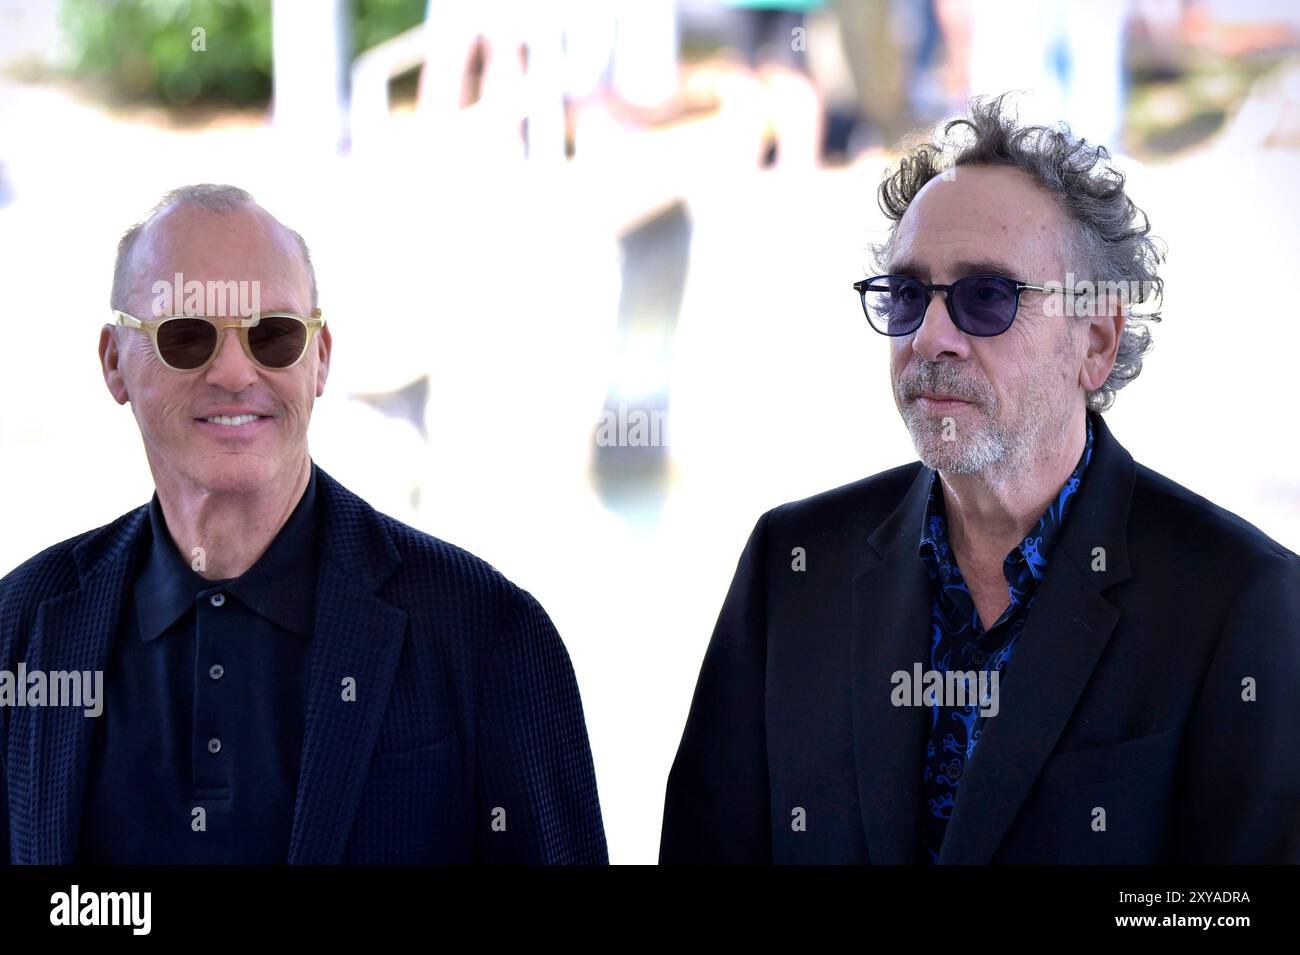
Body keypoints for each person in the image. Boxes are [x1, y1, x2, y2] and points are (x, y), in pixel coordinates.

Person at [660, 94, 1300, 864]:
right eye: (906, 295)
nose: (932, 336)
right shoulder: (791, 565)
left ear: (1095, 342)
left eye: (986, 298)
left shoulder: (1242, 598)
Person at [0, 184, 606, 864]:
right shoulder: (19, 630)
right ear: (114, 362)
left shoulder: (487, 633)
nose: (234, 371)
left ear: (318, 359)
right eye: (187, 336)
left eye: (274, 335)